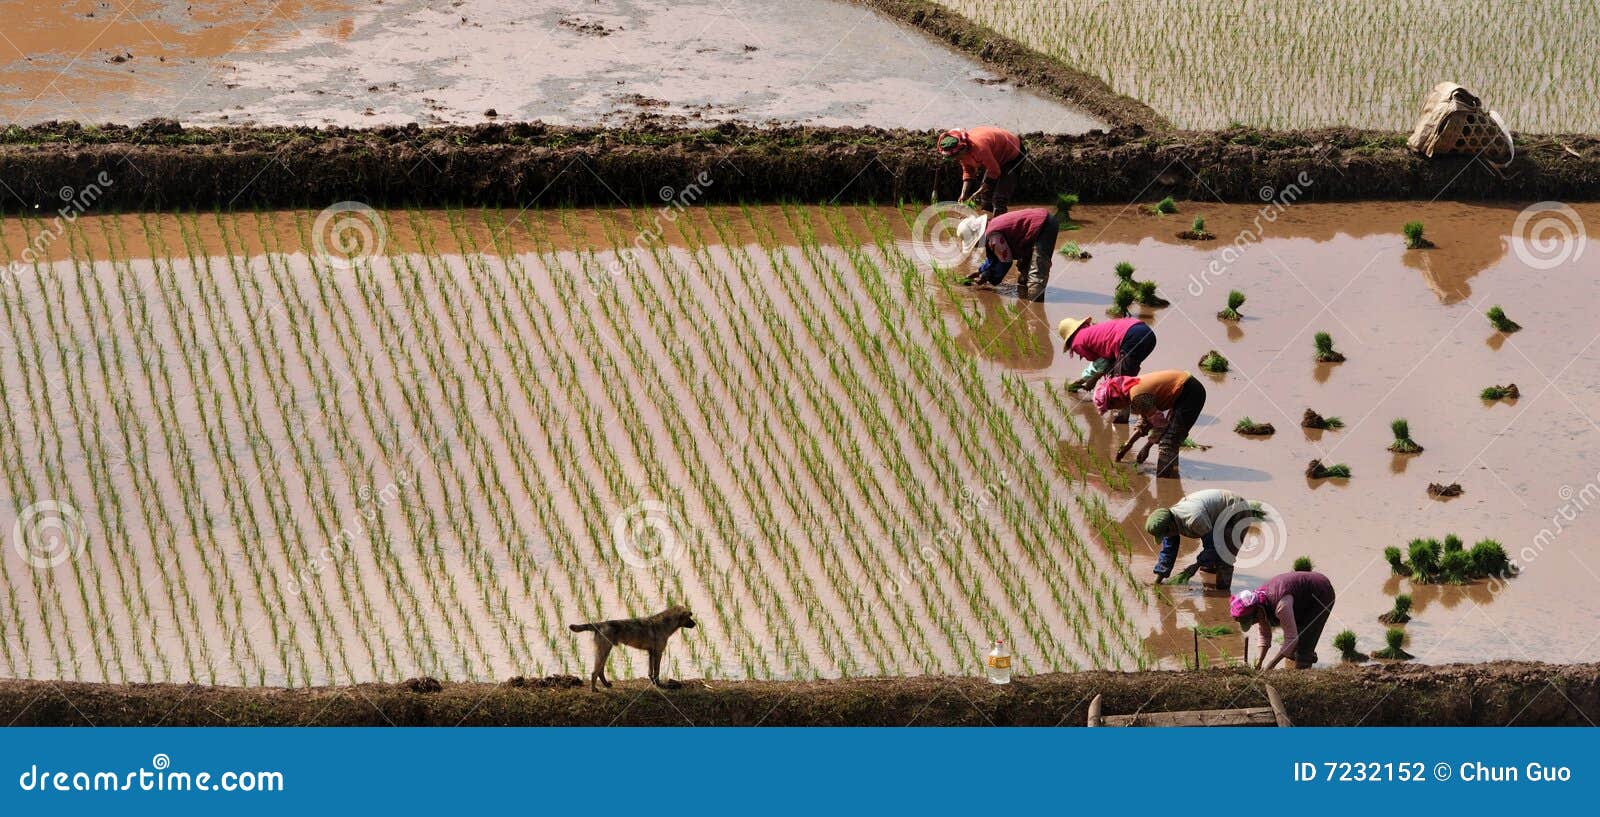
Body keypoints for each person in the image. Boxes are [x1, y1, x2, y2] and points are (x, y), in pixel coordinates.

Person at [1092, 369, 1205, 478]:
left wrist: (1147, 447)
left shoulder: (1137, 396)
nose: (1116, 409)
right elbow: (1146, 420)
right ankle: (1172, 476)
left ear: (1115, 398)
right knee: (1171, 440)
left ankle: (1164, 480)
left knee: (1168, 442)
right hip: (1185, 389)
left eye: (1112, 406)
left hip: (1190, 393)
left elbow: (1160, 424)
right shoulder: (1131, 388)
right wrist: (1128, 444)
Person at [1144, 488, 1257, 589]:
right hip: (1216, 514)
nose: (1165, 538)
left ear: (1170, 527)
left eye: (1164, 535)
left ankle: (1222, 592)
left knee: (1225, 556)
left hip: (1236, 512)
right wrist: (1158, 579)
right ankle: (1211, 572)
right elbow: (1168, 550)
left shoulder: (1194, 520)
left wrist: (1195, 566)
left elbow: (1213, 547)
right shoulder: (1169, 520)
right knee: (1208, 563)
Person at [1231, 571, 1337, 670]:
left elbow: (1291, 638)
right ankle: (1303, 658)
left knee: (1304, 645)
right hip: (1300, 599)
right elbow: (1265, 634)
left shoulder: (1281, 605)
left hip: (1320, 593)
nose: (1255, 623)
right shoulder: (1259, 601)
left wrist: (1271, 664)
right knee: (1293, 646)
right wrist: (1260, 661)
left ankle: (1303, 671)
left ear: (1258, 610)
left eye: (1254, 620)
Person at [1058, 316, 1157, 422]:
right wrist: (1084, 379)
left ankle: (1122, 417)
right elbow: (1106, 361)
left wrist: (1093, 379)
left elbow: (1101, 362)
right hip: (1147, 333)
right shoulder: (1092, 331)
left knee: (1120, 382)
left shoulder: (1078, 342)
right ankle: (1137, 408)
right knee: (1121, 375)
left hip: (1130, 337)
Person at [955, 208, 1059, 302]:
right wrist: (980, 271)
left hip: (1044, 227)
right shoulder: (991, 227)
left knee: (1036, 280)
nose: (977, 246)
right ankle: (1025, 301)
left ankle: (1036, 312)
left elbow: (1005, 261)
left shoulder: (993, 236)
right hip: (1037, 226)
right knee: (1023, 277)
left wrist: (991, 277)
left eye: (975, 243)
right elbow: (996, 256)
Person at [937, 126, 1025, 215]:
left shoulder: (979, 149)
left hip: (1013, 153)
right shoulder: (962, 153)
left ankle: (1000, 227)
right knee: (986, 197)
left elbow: (995, 171)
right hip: (996, 156)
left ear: (962, 149)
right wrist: (963, 194)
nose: (956, 159)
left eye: (955, 157)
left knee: (999, 199)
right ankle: (987, 223)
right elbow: (968, 171)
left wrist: (975, 194)